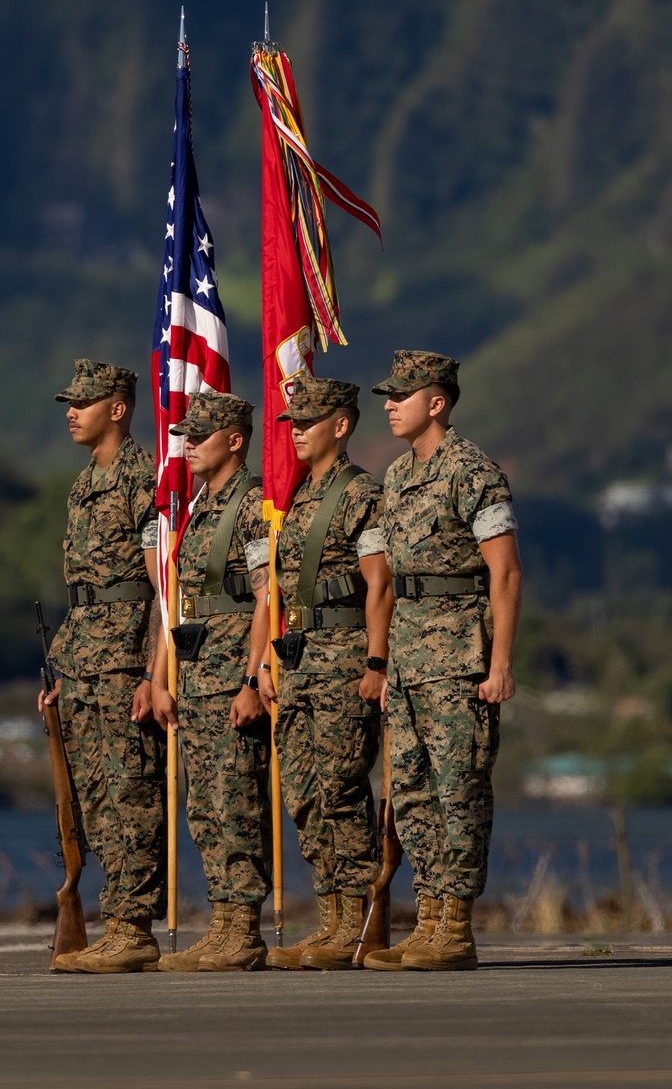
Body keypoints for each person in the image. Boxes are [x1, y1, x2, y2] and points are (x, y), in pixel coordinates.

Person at [363, 350, 522, 973]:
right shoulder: (397, 477)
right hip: (407, 655)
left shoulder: (473, 471)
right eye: (387, 394)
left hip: (459, 654)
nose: (389, 404)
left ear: (437, 401)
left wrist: (500, 664)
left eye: (402, 394)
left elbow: (504, 574)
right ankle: (427, 916)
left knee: (459, 788)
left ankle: (454, 923)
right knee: (409, 791)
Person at [257, 376, 392, 971]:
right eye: (292, 424)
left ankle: (361, 921)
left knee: (341, 788)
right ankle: (331, 918)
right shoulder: (300, 499)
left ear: (340, 426)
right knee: (306, 793)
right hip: (301, 656)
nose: (297, 433)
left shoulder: (361, 493)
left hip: (343, 653)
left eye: (307, 423)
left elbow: (380, 582)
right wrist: (265, 661)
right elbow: (276, 590)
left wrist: (376, 662)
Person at [39, 358, 167, 974]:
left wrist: (152, 672)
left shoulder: (143, 480)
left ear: (117, 409)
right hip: (83, 658)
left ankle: (132, 925)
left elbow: (163, 589)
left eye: (83, 402)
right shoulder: (86, 480)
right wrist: (60, 671)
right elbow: (83, 587)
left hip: (123, 663)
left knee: (131, 791)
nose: (71, 412)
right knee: (92, 795)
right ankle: (113, 918)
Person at [151, 391, 273, 972]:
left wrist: (254, 677)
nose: (188, 444)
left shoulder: (249, 505)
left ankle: (243, 929)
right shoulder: (199, 506)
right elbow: (178, 598)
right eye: (186, 435)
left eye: (200, 434)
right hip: (198, 676)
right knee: (206, 806)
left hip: (230, 679)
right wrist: (165, 675)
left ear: (235, 440)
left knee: (237, 801)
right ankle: (223, 923)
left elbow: (265, 597)